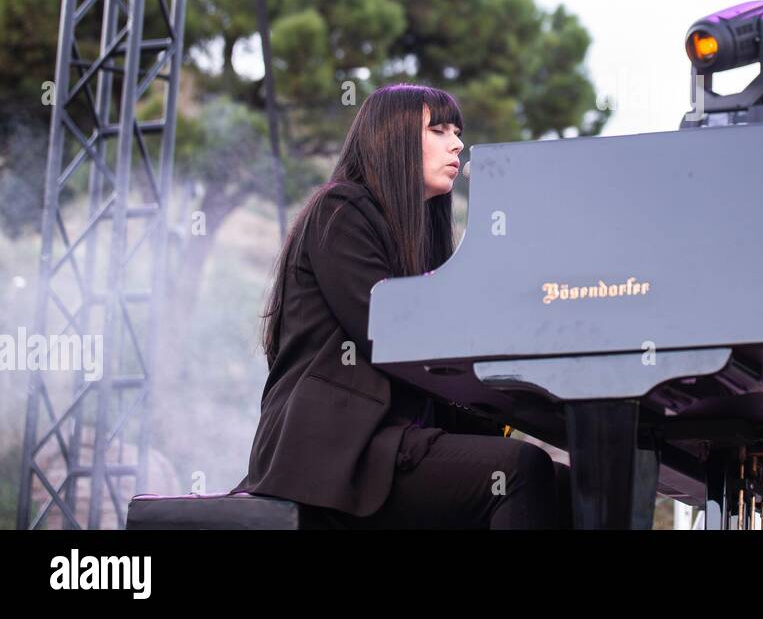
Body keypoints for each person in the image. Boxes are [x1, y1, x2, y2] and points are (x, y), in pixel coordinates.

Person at [229, 83, 570, 528]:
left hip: (395, 444)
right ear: (393, 138)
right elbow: (387, 331)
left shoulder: (422, 242)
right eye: (439, 130)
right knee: (519, 470)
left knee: (570, 487)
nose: (457, 144)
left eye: (457, 132)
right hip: (337, 451)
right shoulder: (341, 210)